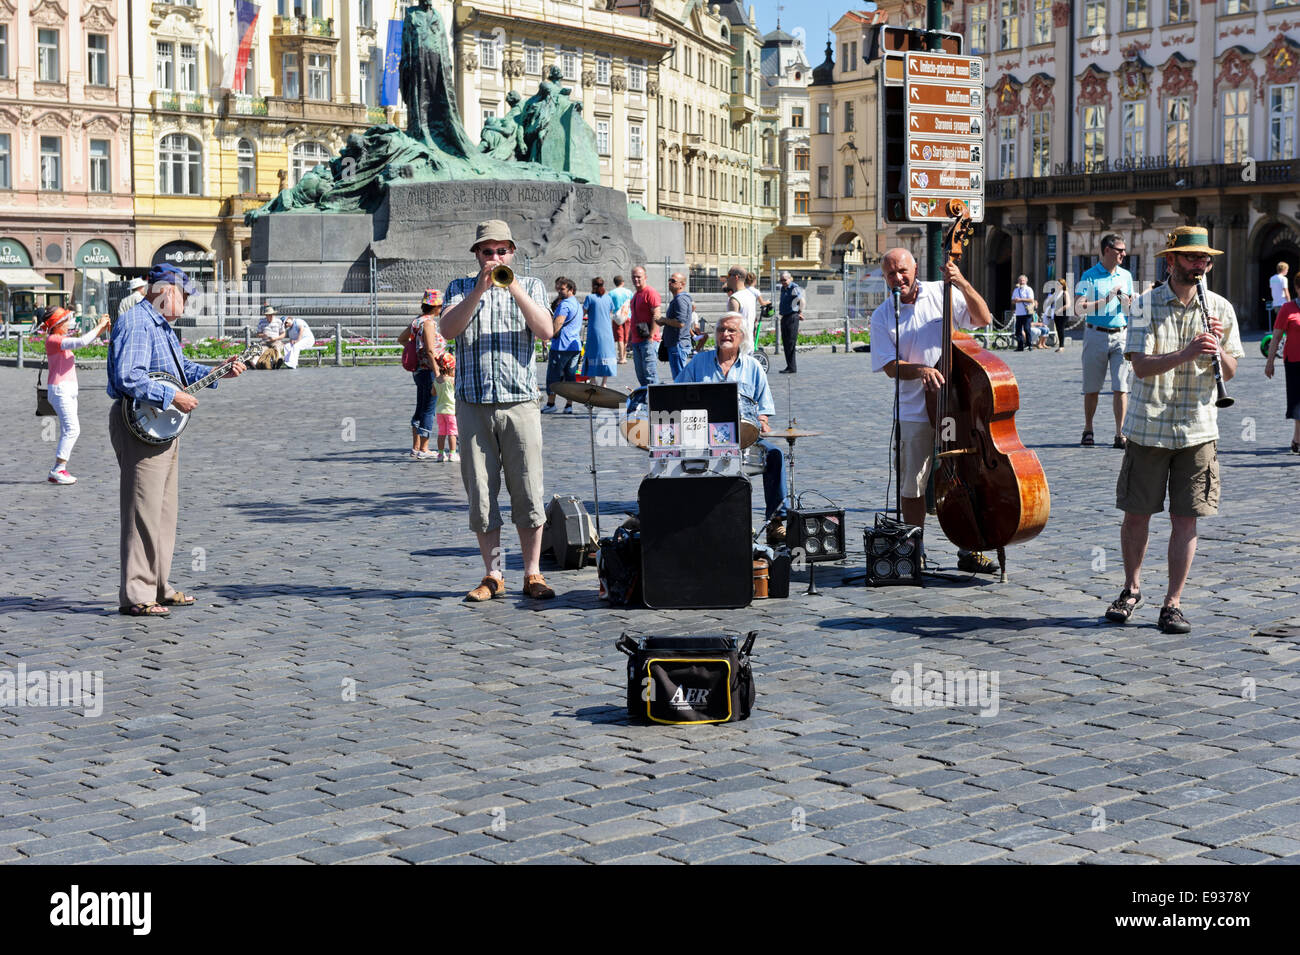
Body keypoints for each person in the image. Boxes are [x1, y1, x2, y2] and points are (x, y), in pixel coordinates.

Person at [1105, 226, 1244, 635]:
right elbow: (1140, 365)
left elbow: (1232, 371)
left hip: (1198, 428)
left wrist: (1217, 349)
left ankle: (1173, 603)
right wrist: (1185, 354)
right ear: (1171, 260)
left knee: (1187, 519)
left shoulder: (1221, 308)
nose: (1199, 265)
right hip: (1149, 425)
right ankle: (1131, 589)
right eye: (1191, 258)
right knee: (1137, 515)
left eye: (1204, 259)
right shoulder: (1145, 305)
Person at [107, 264, 246, 616]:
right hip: (141, 425)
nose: (186, 302)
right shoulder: (138, 321)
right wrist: (171, 398)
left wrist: (220, 371)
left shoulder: (161, 327)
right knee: (142, 512)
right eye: (184, 295)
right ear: (166, 290)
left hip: (162, 429)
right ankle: (137, 594)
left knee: (164, 512)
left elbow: (182, 370)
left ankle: (158, 585)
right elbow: (128, 376)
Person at [440, 219, 556, 601]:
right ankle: (492, 575)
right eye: (487, 251)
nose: (495, 257)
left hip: (519, 402)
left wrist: (515, 287)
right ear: (477, 254)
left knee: (527, 489)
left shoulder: (533, 285)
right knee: (482, 494)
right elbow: (448, 330)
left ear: (513, 252)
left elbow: (545, 331)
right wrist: (479, 290)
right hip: (473, 404)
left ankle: (532, 573)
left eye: (502, 250)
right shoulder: (459, 287)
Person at [869, 247, 999, 574]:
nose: (898, 278)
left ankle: (970, 547)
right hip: (914, 411)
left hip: (956, 407)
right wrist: (920, 370)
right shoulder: (884, 315)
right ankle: (915, 549)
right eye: (890, 274)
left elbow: (983, 319)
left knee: (965, 477)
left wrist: (963, 284)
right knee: (912, 485)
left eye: (902, 270)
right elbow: (888, 366)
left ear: (914, 268)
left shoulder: (942, 292)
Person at [676, 312, 789, 544]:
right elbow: (677, 394)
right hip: (705, 436)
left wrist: (763, 419)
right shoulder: (699, 363)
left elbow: (764, 406)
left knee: (775, 455)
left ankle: (775, 521)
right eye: (721, 330)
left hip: (746, 437)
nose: (725, 334)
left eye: (731, 331)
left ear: (742, 336)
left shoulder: (753, 366)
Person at [1074, 233, 1135, 448]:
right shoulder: (1089, 276)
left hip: (1121, 334)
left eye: (1124, 250)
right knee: (1092, 386)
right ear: (1107, 250)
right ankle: (1088, 428)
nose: (1124, 254)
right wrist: (1105, 300)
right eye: (1120, 250)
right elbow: (1078, 307)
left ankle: (1120, 434)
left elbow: (1129, 309)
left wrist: (1129, 302)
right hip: (1095, 334)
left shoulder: (1126, 276)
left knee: (1122, 386)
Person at [40, 307, 111, 485]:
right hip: (60, 390)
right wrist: (100, 325)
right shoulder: (54, 340)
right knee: (73, 429)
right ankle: (58, 469)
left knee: (69, 430)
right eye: (65, 321)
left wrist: (101, 328)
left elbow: (84, 339)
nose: (68, 324)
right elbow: (82, 341)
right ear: (57, 324)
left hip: (68, 391)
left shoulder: (58, 338)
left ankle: (58, 469)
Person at [398, 289, 445, 459]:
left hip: (418, 371)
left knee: (421, 406)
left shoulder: (417, 321)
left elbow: (402, 339)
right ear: (436, 307)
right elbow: (431, 351)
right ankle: (424, 448)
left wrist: (416, 352)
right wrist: (437, 372)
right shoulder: (429, 324)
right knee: (429, 409)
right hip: (429, 371)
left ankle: (416, 447)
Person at [1265, 282, 1300, 454]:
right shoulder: (1288, 308)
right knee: (1297, 400)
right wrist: (1270, 362)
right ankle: (1298, 439)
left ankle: (1296, 439)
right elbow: (1277, 336)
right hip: (1294, 360)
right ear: (1298, 288)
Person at [543, 276, 581, 413]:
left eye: (562, 288)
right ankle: (569, 405)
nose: (559, 291)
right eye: (558, 288)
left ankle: (551, 403)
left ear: (571, 289)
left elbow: (558, 323)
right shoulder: (577, 304)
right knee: (570, 377)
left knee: (553, 375)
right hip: (574, 347)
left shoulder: (564, 304)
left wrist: (547, 335)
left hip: (561, 346)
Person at [628, 265, 662, 387]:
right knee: (641, 375)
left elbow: (656, 315)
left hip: (648, 340)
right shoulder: (635, 295)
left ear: (645, 277)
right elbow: (633, 319)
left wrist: (651, 336)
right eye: (633, 277)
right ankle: (646, 401)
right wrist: (630, 339)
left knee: (650, 375)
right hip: (637, 340)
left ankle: (655, 403)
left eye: (639, 277)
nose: (636, 279)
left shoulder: (651, 293)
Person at [581, 277, 616, 387]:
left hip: (594, 331)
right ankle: (604, 383)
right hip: (607, 331)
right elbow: (611, 310)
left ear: (592, 285)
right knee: (606, 354)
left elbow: (583, 312)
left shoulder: (590, 298)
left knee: (592, 353)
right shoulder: (608, 298)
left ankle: (593, 380)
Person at [660, 271, 693, 379]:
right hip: (676, 344)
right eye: (669, 280)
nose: (670, 283)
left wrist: (664, 320)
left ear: (682, 284)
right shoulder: (679, 299)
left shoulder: (681, 299)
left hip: (678, 344)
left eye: (673, 281)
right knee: (679, 377)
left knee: (680, 378)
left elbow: (680, 323)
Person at [724, 266, 757, 355]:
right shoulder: (751, 295)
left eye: (728, 275)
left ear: (736, 277)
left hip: (737, 346)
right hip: (749, 343)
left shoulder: (734, 298)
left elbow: (732, 325)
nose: (727, 279)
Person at [777, 271, 805, 373]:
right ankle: (789, 366)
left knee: (790, 342)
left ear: (790, 279)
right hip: (785, 317)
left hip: (792, 317)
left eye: (785, 280)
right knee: (785, 342)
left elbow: (802, 300)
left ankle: (792, 367)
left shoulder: (794, 287)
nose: (783, 282)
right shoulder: (783, 288)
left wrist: (800, 312)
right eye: (781, 280)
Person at [434, 352, 459, 462]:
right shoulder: (451, 380)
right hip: (451, 410)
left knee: (441, 432)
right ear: (450, 368)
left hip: (440, 411)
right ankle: (452, 454)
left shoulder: (436, 380)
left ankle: (440, 454)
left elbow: (433, 393)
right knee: (452, 433)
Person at [609, 274, 633, 365]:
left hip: (617, 318)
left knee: (620, 337)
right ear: (622, 282)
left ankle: (620, 357)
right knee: (626, 337)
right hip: (627, 316)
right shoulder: (629, 292)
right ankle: (625, 357)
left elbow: (610, 306)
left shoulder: (611, 293)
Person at [1011, 274, 1036, 352]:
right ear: (1018, 281)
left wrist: (1020, 300)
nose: (1021, 282)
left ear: (1026, 281)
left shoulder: (1029, 289)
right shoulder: (1016, 290)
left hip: (1027, 312)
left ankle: (1029, 345)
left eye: (1023, 280)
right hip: (1019, 313)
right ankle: (1020, 346)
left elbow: (1031, 300)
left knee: (1027, 329)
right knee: (1018, 330)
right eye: (1020, 280)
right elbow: (1012, 301)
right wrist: (1015, 300)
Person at [1042, 281, 1068, 353]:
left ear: (1062, 285)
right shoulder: (1055, 294)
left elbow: (1068, 304)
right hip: (1056, 313)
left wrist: (1060, 309)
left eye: (1058, 284)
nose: (1057, 286)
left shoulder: (1065, 293)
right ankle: (1060, 346)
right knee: (1058, 329)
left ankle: (1061, 346)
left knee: (1061, 328)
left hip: (1063, 313)